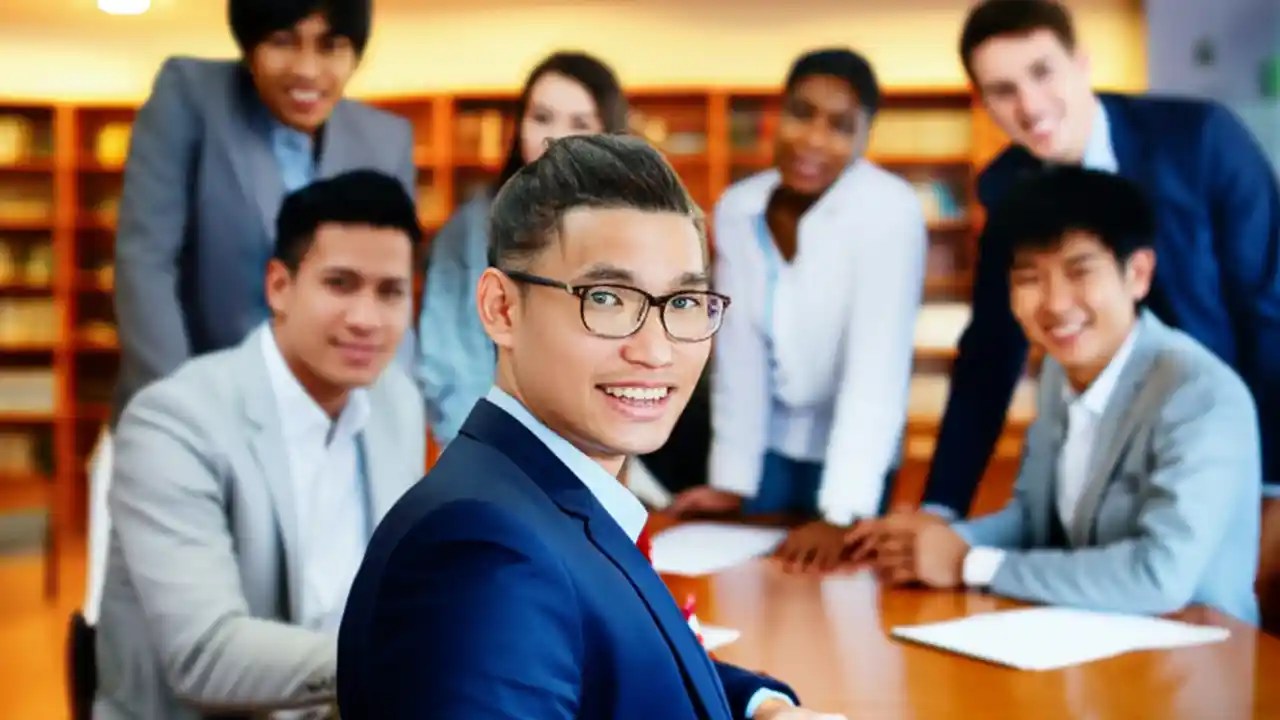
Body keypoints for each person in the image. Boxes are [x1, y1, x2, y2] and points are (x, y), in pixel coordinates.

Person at [338, 136, 843, 720]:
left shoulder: (542, 492)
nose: (655, 351)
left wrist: (760, 708)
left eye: (683, 301)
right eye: (606, 298)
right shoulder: (482, 550)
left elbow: (629, 660)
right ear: (502, 308)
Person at [915, 0, 1280, 526]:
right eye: (1002, 90)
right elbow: (990, 354)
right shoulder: (1005, 187)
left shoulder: (1201, 140)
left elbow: (1269, 312)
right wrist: (939, 508)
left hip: (1231, 438)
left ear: (1080, 63)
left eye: (1042, 73)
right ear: (984, 102)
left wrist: (1271, 486)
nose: (1030, 105)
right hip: (1108, 463)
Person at [94, 171, 426, 719]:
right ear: (279, 287)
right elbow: (203, 653)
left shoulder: (396, 403)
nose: (366, 319)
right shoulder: (174, 421)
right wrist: (395, 666)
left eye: (390, 292)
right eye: (340, 284)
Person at [868, 168, 1260, 624]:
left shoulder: (1200, 394)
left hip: (1203, 657)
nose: (1054, 304)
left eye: (1080, 272)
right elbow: (1034, 520)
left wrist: (967, 563)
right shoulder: (1059, 371)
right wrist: (938, 540)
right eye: (1030, 278)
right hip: (1094, 639)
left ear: (1137, 274)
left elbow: (1159, 575)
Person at [666, 48, 928, 572]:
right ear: (777, 115)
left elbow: (877, 367)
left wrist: (843, 511)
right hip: (771, 448)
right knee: (754, 585)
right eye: (801, 113)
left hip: (853, 448)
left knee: (838, 592)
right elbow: (738, 356)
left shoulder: (890, 212)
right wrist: (731, 482)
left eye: (839, 125)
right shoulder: (741, 208)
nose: (812, 138)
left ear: (864, 137)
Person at [112, 0, 416, 423]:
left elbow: (390, 291)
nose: (307, 70)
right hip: (198, 405)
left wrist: (388, 423)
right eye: (282, 42)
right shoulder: (190, 96)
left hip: (328, 424)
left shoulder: (386, 140)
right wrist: (177, 412)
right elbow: (145, 264)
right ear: (249, 44)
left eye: (331, 46)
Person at [418, 50, 628, 446]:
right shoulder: (472, 229)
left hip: (602, 452)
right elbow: (447, 365)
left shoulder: (628, 234)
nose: (555, 138)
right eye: (541, 117)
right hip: (494, 452)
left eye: (580, 123)